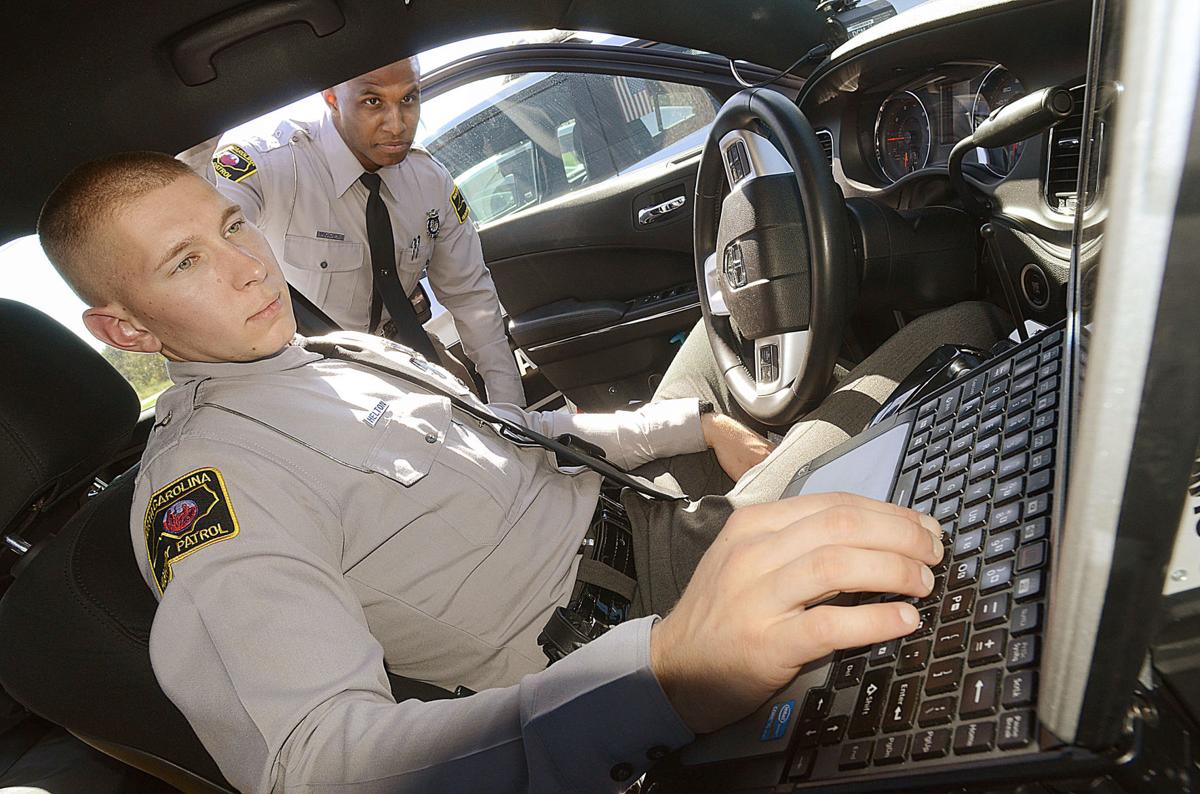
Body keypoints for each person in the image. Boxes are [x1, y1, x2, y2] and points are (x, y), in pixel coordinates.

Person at [38, 152, 1004, 793]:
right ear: (127, 330)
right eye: (184, 263)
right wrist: (665, 674)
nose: (248, 267)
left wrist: (689, 424)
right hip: (635, 624)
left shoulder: (323, 356)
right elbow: (313, 764)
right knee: (952, 333)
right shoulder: (208, 492)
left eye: (232, 224)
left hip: (661, 521)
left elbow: (525, 435)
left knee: (731, 347)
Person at [211, 56, 527, 406]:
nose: (396, 125)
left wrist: (510, 409)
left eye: (408, 98)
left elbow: (471, 297)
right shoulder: (273, 167)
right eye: (372, 101)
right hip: (319, 384)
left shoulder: (429, 182)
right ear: (331, 97)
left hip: (413, 358)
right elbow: (205, 225)